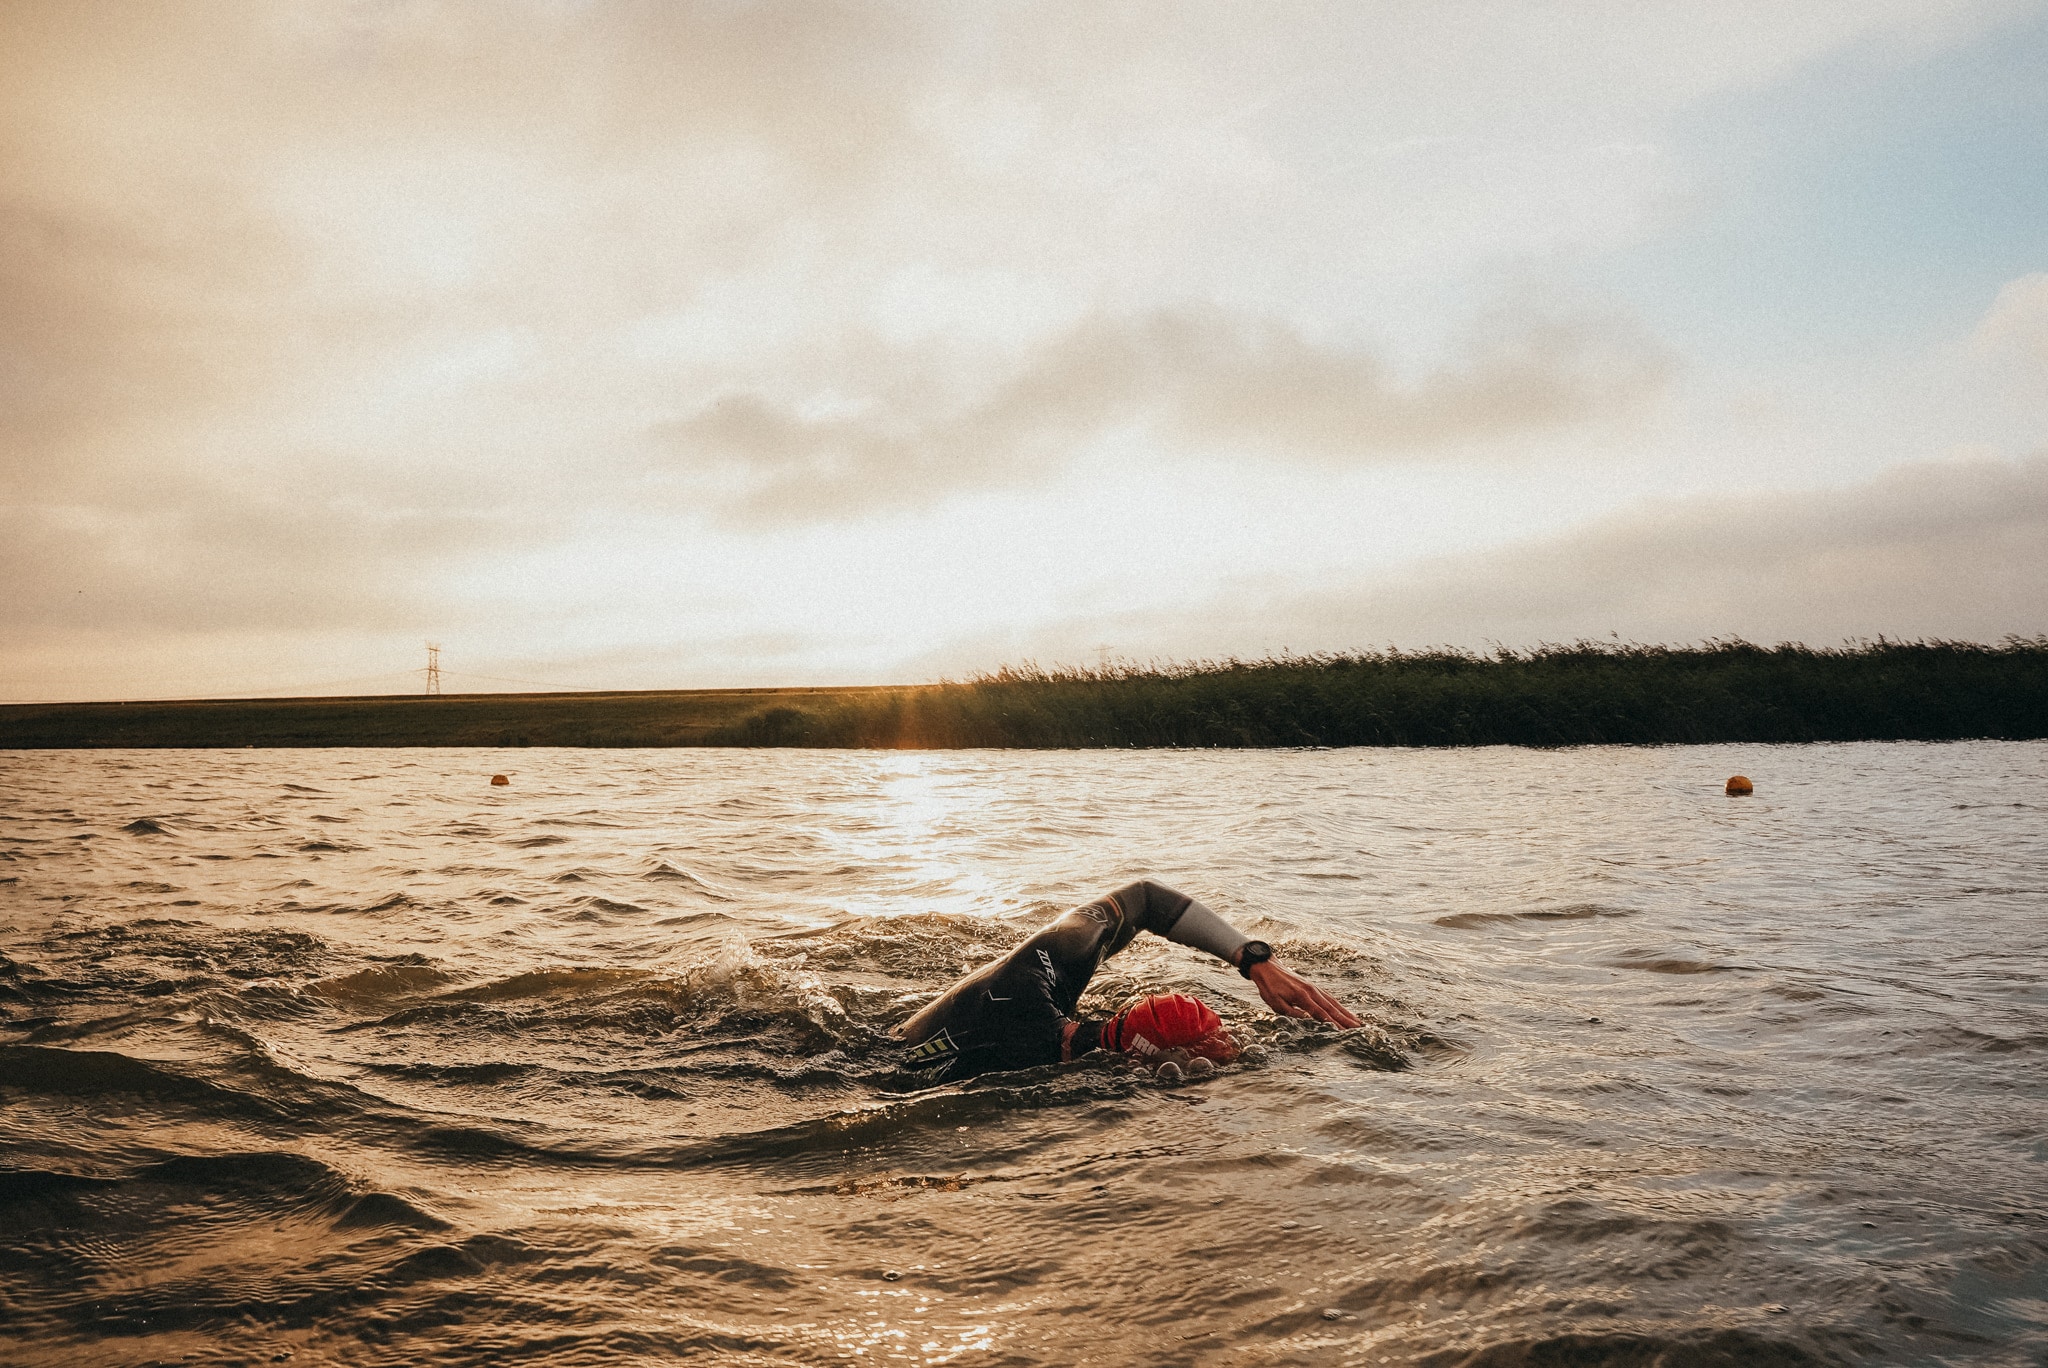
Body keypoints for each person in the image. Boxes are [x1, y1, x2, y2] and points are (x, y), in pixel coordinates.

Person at [893, 879, 1360, 1084]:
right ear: (1140, 1066)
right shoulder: (1001, 1060)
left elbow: (1144, 898)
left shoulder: (1047, 970)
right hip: (886, 1058)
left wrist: (1255, 960)